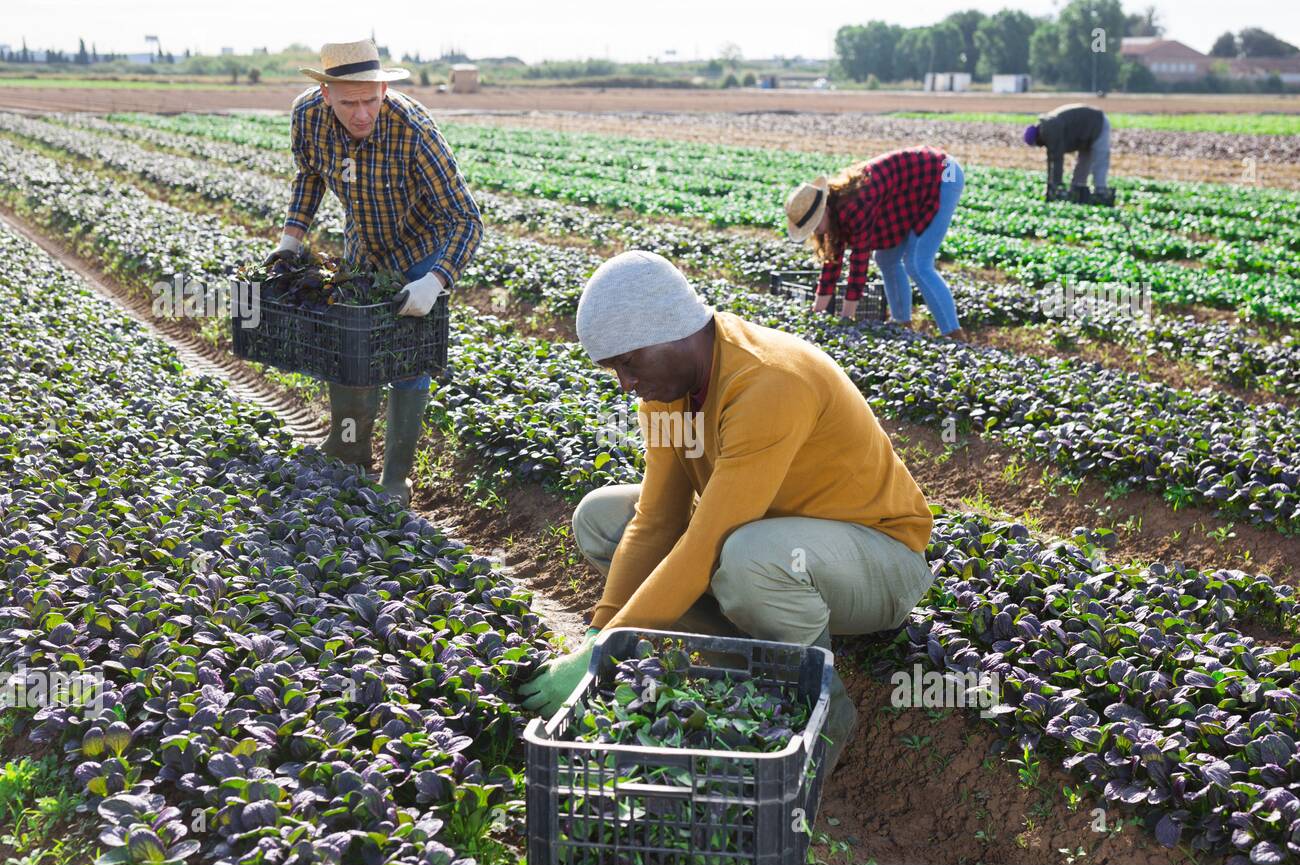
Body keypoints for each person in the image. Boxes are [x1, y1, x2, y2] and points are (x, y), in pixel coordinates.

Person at [519, 251, 936, 778]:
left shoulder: (767, 382)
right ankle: (747, 654)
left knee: (746, 557)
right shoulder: (669, 393)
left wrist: (607, 650)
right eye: (613, 369)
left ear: (670, 332)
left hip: (878, 559)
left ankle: (820, 699)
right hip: (779, 550)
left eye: (628, 362)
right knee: (602, 518)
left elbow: (706, 542)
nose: (624, 383)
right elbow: (658, 520)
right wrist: (598, 636)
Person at [267, 39, 483, 506]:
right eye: (349, 103)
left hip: (422, 246)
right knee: (351, 346)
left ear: (384, 88)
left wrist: (435, 281)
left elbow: (466, 219)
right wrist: (291, 239)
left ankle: (395, 477)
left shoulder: (413, 129)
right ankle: (350, 448)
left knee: (408, 356)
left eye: (371, 99)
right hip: (364, 244)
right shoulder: (307, 117)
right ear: (326, 96)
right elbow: (309, 174)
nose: (362, 113)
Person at [784, 147, 967, 343]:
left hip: (942, 174)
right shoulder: (834, 214)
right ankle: (902, 325)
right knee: (886, 259)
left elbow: (859, 263)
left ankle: (954, 336)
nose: (816, 231)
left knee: (918, 264)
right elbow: (832, 263)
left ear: (825, 209)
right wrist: (817, 312)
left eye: (816, 223)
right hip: (913, 189)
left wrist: (847, 319)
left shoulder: (853, 205)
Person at [1023, 103, 1113, 204]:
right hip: (1083, 133)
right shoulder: (1047, 128)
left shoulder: (1051, 129)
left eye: (1037, 144)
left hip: (1098, 123)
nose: (1040, 146)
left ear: (1037, 138)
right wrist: (1051, 184)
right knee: (1083, 164)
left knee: (1100, 161)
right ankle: (1077, 190)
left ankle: (1100, 192)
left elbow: (1057, 160)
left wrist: (1056, 186)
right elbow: (1051, 160)